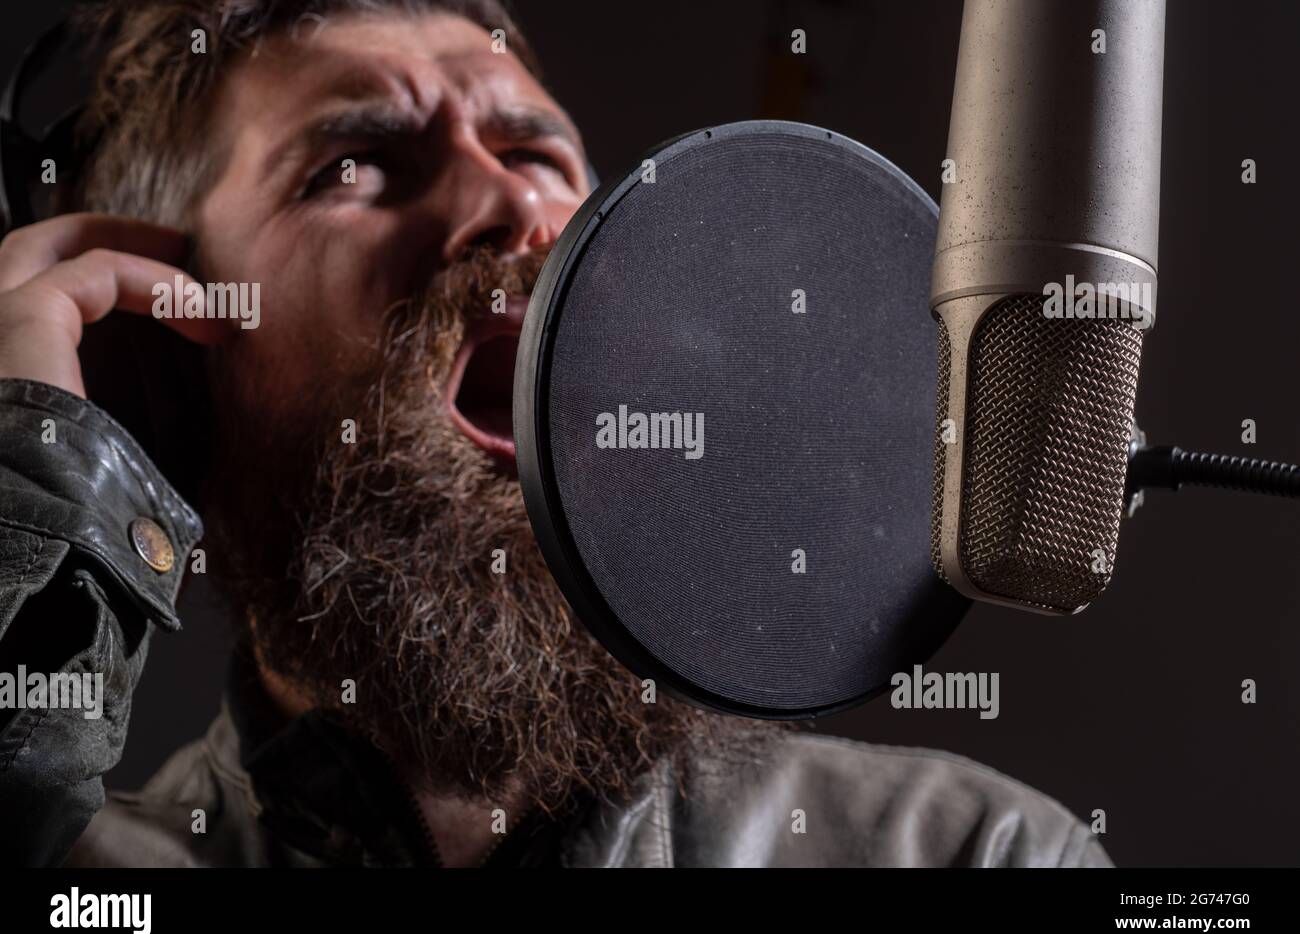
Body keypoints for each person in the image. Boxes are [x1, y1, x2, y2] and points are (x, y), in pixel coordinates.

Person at [0, 0, 1108, 867]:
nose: (520, 212)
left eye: (537, 157)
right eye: (355, 167)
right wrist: (37, 486)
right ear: (156, 368)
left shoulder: (976, 854)